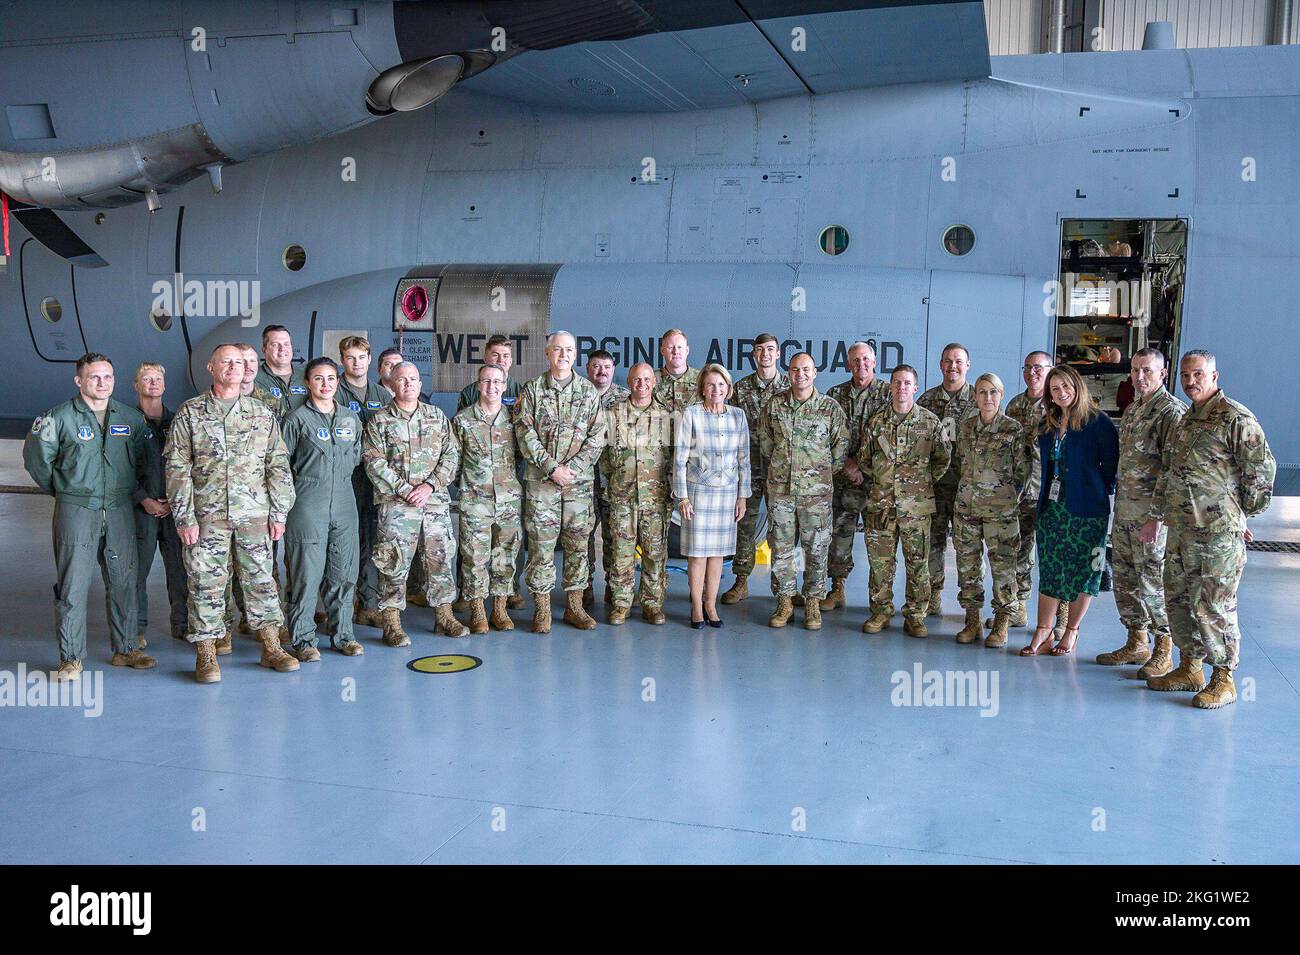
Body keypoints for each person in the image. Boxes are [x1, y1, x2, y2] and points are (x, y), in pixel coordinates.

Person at [1143, 350, 1275, 708]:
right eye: (1185, 375)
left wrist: (1240, 513)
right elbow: (1170, 471)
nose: (1191, 381)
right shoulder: (1186, 419)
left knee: (1214, 605)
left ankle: (1223, 678)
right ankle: (1190, 668)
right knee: (1179, 601)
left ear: (1214, 376)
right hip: (1180, 531)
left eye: (1198, 374)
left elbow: (1261, 470)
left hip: (1217, 535)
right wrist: (1158, 515)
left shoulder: (1235, 417)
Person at [166, 344, 298, 683]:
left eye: (238, 362)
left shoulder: (260, 413)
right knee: (206, 583)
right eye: (225, 362)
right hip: (207, 516)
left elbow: (277, 465)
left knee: (261, 580)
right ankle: (207, 652)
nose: (233, 367)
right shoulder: (191, 412)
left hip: (254, 515)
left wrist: (280, 512)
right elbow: (178, 468)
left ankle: (271, 646)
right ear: (211, 368)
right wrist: (184, 517)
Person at [24, 353, 155, 680]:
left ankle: (126, 648)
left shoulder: (130, 418)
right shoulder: (58, 418)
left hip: (119, 508)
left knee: (124, 580)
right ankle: (71, 658)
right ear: (79, 380)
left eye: (108, 376)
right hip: (77, 509)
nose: (102, 382)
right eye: (94, 376)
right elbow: (37, 461)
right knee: (72, 585)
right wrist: (65, 490)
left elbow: (143, 461)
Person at [1095, 348, 1186, 673]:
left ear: (1163, 373)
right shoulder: (1133, 410)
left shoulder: (1171, 413)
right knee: (1125, 580)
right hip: (1125, 513)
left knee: (1152, 582)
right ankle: (1136, 642)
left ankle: (1163, 649)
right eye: (1135, 370)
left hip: (1151, 517)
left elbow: (1172, 470)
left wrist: (1156, 518)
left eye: (1147, 370)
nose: (1140, 376)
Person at [363, 361, 466, 644]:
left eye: (413, 379)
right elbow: (373, 461)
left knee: (440, 559)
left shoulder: (436, 416)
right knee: (393, 562)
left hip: (433, 503)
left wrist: (429, 486)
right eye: (402, 379)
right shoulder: (380, 420)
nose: (408, 383)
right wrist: (405, 489)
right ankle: (391, 624)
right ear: (392, 384)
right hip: (397, 505)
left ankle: (444, 616)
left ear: (420, 384)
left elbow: (452, 455)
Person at [1019, 365, 1119, 657]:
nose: (1061, 392)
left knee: (1085, 570)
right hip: (1053, 508)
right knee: (1051, 568)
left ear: (1077, 387)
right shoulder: (1048, 423)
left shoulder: (1098, 423)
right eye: (1055, 388)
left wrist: (1091, 488)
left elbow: (1111, 470)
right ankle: (1044, 629)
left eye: (1066, 386)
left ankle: (1072, 630)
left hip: (1087, 508)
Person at [513, 331, 606, 633]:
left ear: (575, 355)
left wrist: (572, 469)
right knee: (541, 546)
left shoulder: (588, 392)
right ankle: (542, 609)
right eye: (557, 349)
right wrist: (552, 468)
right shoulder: (532, 390)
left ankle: (574, 607)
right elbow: (524, 432)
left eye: (569, 350)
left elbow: (597, 437)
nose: (563, 355)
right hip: (542, 484)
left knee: (578, 545)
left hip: (578, 485)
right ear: (547, 353)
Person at [280, 358, 365, 660]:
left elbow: (356, 456)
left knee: (343, 571)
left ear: (337, 382)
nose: (325, 384)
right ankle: (303, 640)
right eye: (318, 378)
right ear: (308, 383)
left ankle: (343, 635)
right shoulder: (296, 419)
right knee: (306, 573)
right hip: (307, 501)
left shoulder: (350, 419)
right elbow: (281, 464)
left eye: (330, 378)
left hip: (343, 501)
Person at [757, 354, 847, 630]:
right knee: (781, 548)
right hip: (781, 491)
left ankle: (812, 603)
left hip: (816, 494)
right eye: (795, 369)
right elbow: (766, 443)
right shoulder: (774, 405)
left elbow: (840, 449)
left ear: (815, 373)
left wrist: (818, 474)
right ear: (789, 373)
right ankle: (785, 601)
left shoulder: (830, 408)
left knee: (816, 548)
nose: (801, 374)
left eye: (806, 369)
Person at [858, 365, 949, 637]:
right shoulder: (876, 422)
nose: (901, 388)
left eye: (907, 383)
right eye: (897, 382)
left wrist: (919, 484)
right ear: (890, 386)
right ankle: (880, 611)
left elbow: (942, 459)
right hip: (881, 505)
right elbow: (864, 459)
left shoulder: (930, 423)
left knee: (917, 564)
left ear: (915, 388)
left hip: (916, 508)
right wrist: (884, 481)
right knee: (880, 564)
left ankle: (915, 615)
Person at [952, 373, 1029, 647]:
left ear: (1001, 395)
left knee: (1003, 568)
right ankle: (972, 621)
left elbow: (1023, 472)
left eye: (993, 392)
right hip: (967, 510)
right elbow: (959, 463)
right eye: (982, 392)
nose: (987, 397)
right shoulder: (965, 427)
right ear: (975, 396)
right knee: (968, 567)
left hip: (1001, 513)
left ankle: (1002, 623)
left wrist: (1008, 500)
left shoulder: (1013, 429)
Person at [675, 364, 751, 628]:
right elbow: (680, 459)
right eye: (710, 384)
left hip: (727, 494)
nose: (716, 389)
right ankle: (697, 606)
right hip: (698, 494)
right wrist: (682, 497)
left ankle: (711, 605)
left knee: (718, 554)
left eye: (721, 384)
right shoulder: (691, 414)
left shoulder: (738, 416)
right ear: (702, 389)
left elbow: (744, 460)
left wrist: (742, 496)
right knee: (697, 554)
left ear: (728, 388)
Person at [451, 363, 522, 634]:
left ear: (504, 386)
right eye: (486, 381)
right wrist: (468, 487)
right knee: (474, 556)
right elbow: (454, 460)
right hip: (475, 500)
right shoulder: (462, 420)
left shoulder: (514, 420)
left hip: (507, 500)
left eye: (497, 382)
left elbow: (520, 456)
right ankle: (478, 610)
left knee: (505, 554)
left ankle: (500, 609)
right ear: (478, 385)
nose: (492, 387)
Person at [602, 363, 675, 625]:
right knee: (621, 553)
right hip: (622, 496)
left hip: (655, 498)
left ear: (654, 382)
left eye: (646, 379)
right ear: (629, 382)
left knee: (655, 554)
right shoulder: (613, 414)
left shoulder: (666, 416)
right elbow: (603, 456)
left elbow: (673, 456)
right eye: (636, 379)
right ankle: (621, 604)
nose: (641, 384)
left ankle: (652, 604)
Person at [722, 333, 788, 605]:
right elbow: (730, 430)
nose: (765, 354)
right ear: (754, 354)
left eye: (770, 349)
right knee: (745, 525)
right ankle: (741, 581)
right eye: (760, 349)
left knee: (783, 528)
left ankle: (786, 587)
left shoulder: (789, 386)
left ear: (778, 354)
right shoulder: (740, 389)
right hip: (748, 469)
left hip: (780, 472)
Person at [826, 342, 891, 611]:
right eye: (855, 360)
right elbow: (827, 437)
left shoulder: (890, 393)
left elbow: (894, 438)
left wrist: (863, 467)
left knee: (879, 542)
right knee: (839, 537)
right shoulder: (835, 395)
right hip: (845, 480)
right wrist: (846, 465)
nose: (861, 364)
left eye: (865, 359)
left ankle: (880, 600)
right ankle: (837, 588)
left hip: (877, 482)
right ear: (848, 364)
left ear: (874, 362)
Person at [1001, 351, 1059, 635]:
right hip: (1022, 494)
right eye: (1027, 367)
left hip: (1051, 495)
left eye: (1038, 368)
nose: (1032, 373)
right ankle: (1019, 607)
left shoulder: (1059, 405)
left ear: (1051, 370)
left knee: (1054, 556)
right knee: (1020, 552)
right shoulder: (1015, 405)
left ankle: (1059, 620)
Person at [917, 342, 977, 615]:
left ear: (967, 365)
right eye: (948, 361)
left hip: (968, 489)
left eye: (958, 361)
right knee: (933, 543)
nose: (953, 366)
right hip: (935, 487)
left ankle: (972, 606)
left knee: (968, 547)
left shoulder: (980, 398)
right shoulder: (926, 401)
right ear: (941, 365)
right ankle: (933, 595)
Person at [131, 362, 188, 644]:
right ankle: (136, 629)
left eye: (157, 379)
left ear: (164, 385)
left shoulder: (178, 422)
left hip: (174, 510)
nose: (153, 383)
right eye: (147, 379)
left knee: (180, 570)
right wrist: (143, 498)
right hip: (140, 510)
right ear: (136, 385)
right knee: (137, 571)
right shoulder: (127, 423)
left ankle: (183, 624)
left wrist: (176, 501)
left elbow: (189, 464)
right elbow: (118, 468)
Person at [335, 336, 388, 628]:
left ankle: (368, 604)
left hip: (375, 481)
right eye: (350, 357)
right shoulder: (333, 391)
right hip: (344, 478)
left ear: (369, 359)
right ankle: (339, 606)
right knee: (343, 543)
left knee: (373, 540)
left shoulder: (382, 395)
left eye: (361, 357)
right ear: (343, 360)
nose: (356, 363)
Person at [584, 349, 630, 608]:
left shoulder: (625, 398)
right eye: (596, 366)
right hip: (584, 481)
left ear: (613, 370)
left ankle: (615, 588)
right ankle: (585, 587)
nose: (601, 372)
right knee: (583, 537)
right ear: (588, 369)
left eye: (606, 367)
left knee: (615, 537)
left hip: (615, 481)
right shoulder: (580, 395)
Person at [454, 334, 523, 413]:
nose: (501, 360)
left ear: (510, 361)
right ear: (485, 359)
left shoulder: (520, 391)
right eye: (495, 355)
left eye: (505, 356)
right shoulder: (469, 393)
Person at [252, 325, 307, 419]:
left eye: (286, 344)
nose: (282, 348)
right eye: (275, 344)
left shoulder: (307, 376)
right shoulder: (253, 379)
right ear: (264, 349)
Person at [654, 328, 700, 413]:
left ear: (687, 350)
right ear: (662, 351)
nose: (675, 352)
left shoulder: (702, 379)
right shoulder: (650, 380)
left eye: (679, 347)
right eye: (671, 347)